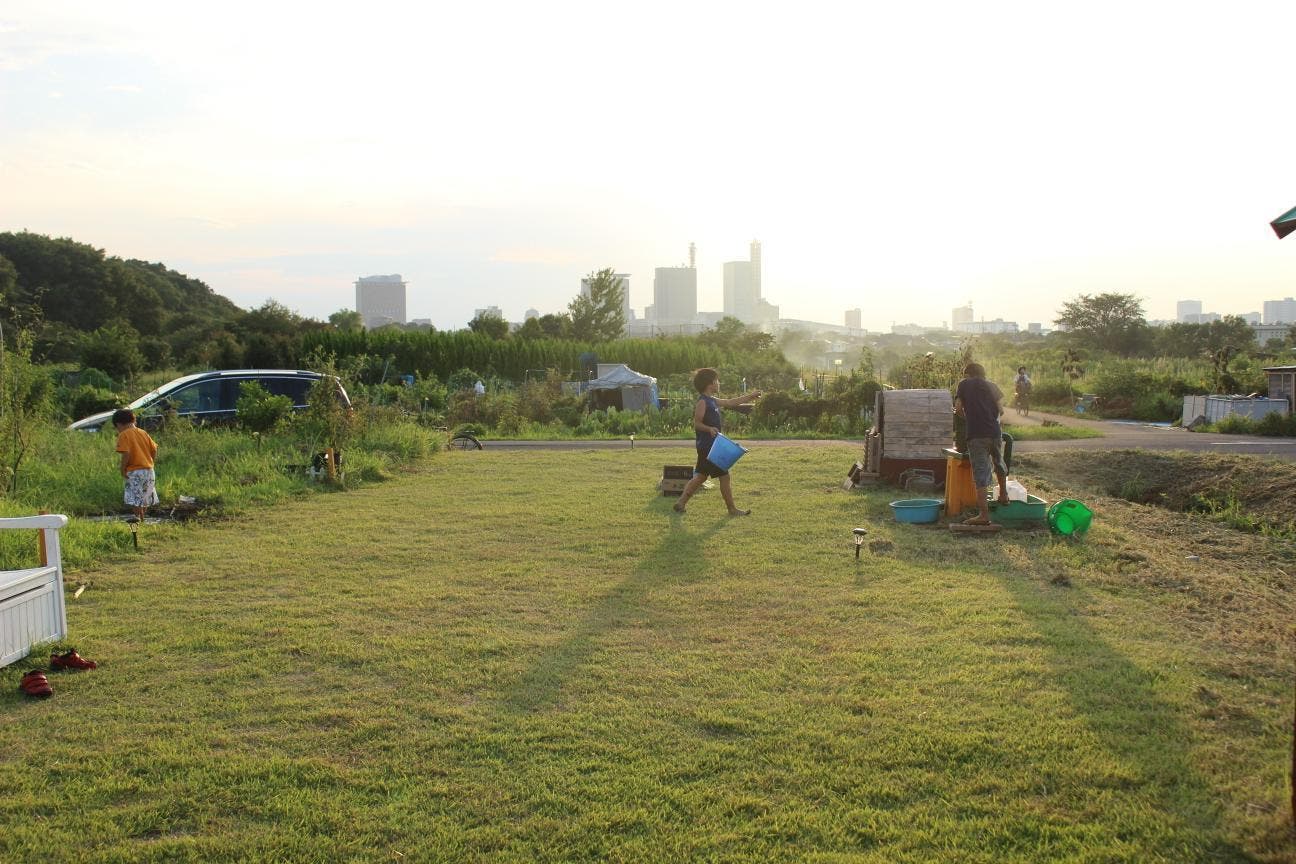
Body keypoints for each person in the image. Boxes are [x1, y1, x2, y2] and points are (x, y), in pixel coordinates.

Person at [672, 368, 760, 516]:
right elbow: (697, 423)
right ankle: (732, 509)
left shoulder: (712, 401)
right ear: (710, 384)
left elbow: (731, 402)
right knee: (724, 476)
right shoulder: (702, 402)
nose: (719, 383)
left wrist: (750, 396)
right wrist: (709, 429)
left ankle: (681, 503)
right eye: (717, 380)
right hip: (709, 448)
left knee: (700, 476)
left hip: (708, 447)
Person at [953, 363, 1008, 525]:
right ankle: (1003, 495)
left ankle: (983, 515)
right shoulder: (992, 386)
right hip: (995, 432)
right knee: (999, 463)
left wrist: (969, 418)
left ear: (968, 374)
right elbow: (1001, 410)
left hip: (977, 434)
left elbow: (957, 409)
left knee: (981, 472)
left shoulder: (964, 384)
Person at [113, 408, 159, 523]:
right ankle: (142, 518)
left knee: (134, 497)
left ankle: (139, 519)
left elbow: (126, 453)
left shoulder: (124, 435)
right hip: (149, 469)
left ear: (119, 424)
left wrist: (122, 469)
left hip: (134, 471)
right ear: (133, 420)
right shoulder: (143, 432)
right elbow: (154, 449)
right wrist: (150, 462)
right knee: (145, 496)